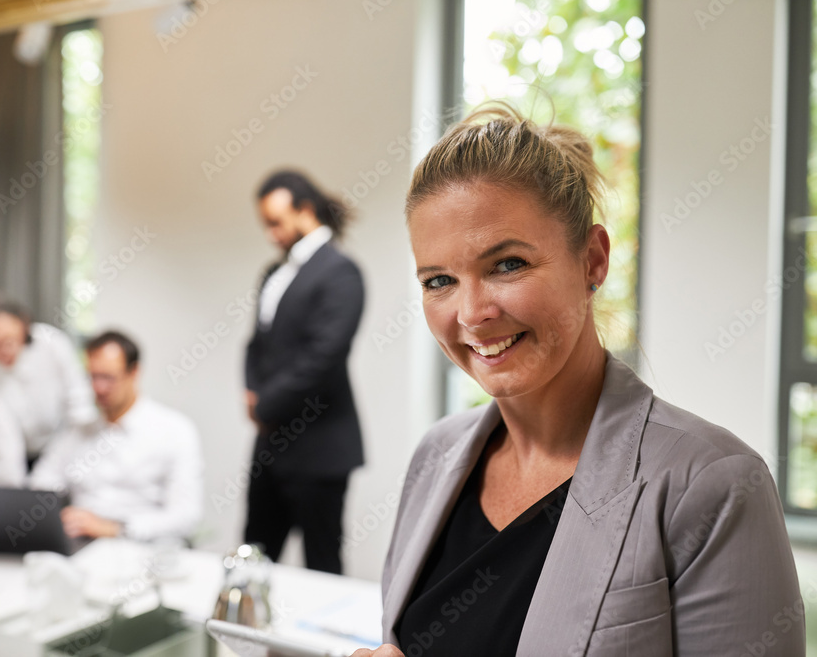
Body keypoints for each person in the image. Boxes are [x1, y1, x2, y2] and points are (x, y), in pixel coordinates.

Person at [353, 105, 804, 656]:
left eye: (508, 265)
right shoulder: (437, 455)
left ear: (592, 260)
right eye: (439, 280)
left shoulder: (711, 485)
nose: (471, 313)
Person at [243, 169, 365, 575]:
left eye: (276, 222)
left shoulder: (341, 272)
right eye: (266, 225)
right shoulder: (273, 274)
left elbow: (323, 357)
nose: (270, 234)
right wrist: (250, 390)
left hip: (320, 448)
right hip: (270, 445)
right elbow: (255, 346)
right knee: (254, 558)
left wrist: (264, 402)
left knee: (322, 565)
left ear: (305, 211)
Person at [30, 330, 203, 541]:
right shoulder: (77, 431)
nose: (99, 388)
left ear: (134, 372)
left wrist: (114, 528)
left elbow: (186, 516)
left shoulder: (174, 431)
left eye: (108, 377)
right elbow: (40, 484)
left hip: (139, 548)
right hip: (78, 543)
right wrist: (58, 516)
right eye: (92, 377)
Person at [0, 295, 97, 487]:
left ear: (24, 325)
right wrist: (17, 497)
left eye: (9, 341)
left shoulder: (52, 343)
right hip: (1, 458)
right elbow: (1, 444)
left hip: (60, 448)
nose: (4, 352)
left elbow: (79, 407)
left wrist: (59, 470)